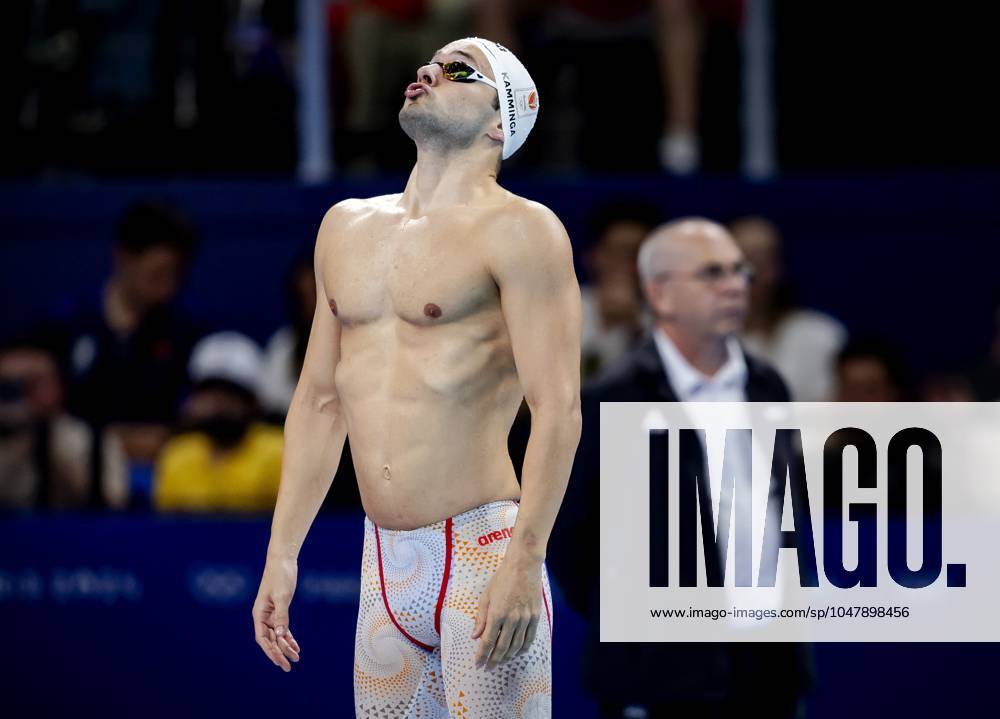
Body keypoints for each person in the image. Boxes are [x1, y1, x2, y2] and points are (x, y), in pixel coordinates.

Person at [251, 38, 581, 718]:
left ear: (505, 119)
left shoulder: (523, 231)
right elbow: (318, 401)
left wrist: (526, 560)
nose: (429, 71)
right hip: (383, 565)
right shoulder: (344, 225)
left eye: (460, 70)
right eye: (429, 63)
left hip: (485, 558)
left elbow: (559, 408)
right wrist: (282, 552)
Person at [550, 219, 812, 718]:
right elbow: (569, 540)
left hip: (768, 672)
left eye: (740, 271)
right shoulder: (613, 398)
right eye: (712, 273)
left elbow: (790, 517)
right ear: (661, 293)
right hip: (656, 673)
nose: (736, 285)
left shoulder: (768, 386)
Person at [53, 200, 202, 466]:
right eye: (158, 274)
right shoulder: (68, 323)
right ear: (123, 257)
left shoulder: (187, 330)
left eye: (176, 275)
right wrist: (114, 441)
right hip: (78, 469)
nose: (169, 287)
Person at [154, 332, 284, 513]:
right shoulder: (177, 457)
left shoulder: (280, 452)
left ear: (251, 402)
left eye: (229, 395)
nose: (218, 405)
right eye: (211, 393)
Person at [0, 334, 128, 511]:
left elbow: (114, 502)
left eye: (35, 382)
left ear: (58, 384)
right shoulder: (8, 443)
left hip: (78, 533)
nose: (25, 393)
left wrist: (50, 445)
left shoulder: (91, 439)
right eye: (11, 385)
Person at [731, 215, 847, 401]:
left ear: (781, 266)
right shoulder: (695, 344)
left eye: (763, 261)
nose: (753, 274)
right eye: (741, 262)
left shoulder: (821, 335)